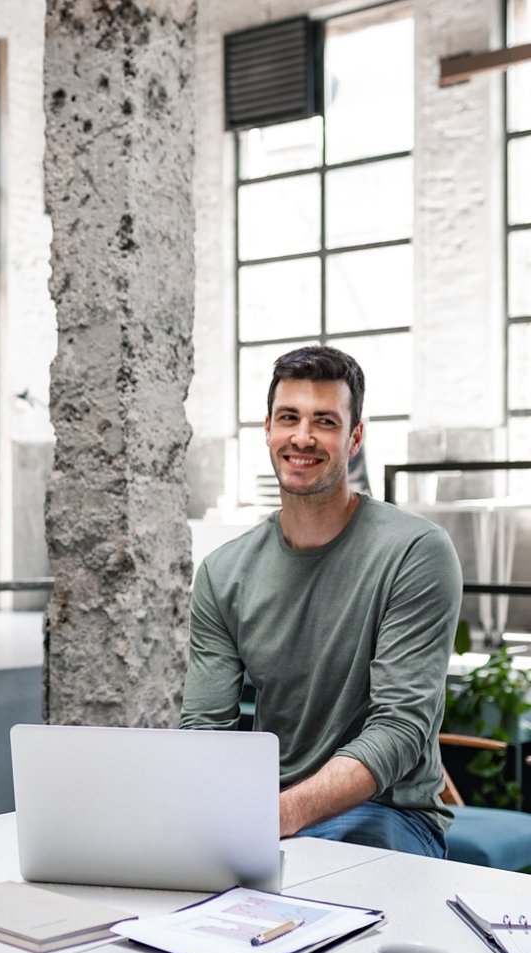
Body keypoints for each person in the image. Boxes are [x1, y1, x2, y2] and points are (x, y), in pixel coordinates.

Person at [182, 345, 461, 856]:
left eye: (325, 421)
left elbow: (399, 729)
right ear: (268, 429)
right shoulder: (224, 573)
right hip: (268, 812)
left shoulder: (415, 552)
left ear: (354, 438)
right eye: (289, 418)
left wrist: (280, 815)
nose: (303, 437)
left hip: (388, 813)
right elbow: (205, 729)